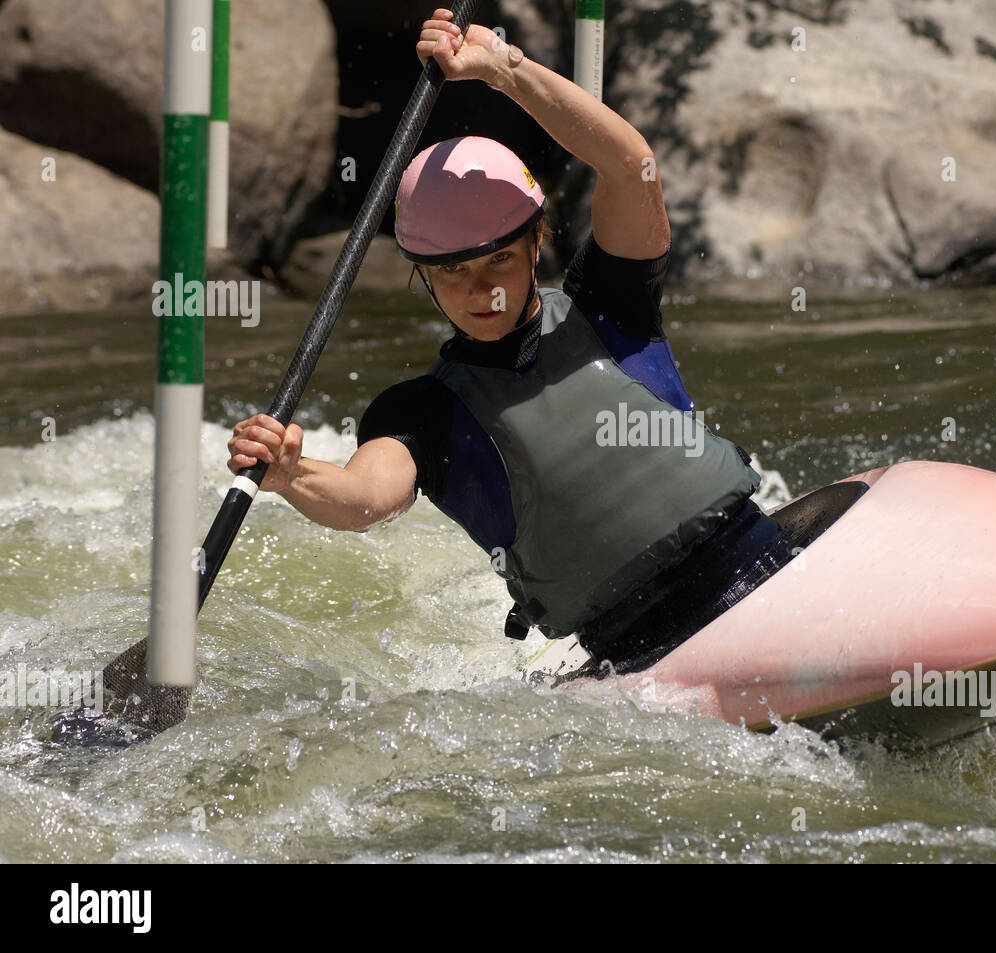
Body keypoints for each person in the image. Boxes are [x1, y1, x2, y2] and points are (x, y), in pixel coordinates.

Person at [226, 11, 794, 675]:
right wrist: (292, 475)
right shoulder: (422, 413)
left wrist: (503, 70)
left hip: (763, 566)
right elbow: (364, 498)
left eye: (498, 259)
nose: (480, 289)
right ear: (425, 278)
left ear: (535, 242)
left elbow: (631, 166)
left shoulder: (610, 304)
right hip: (640, 657)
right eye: (453, 272)